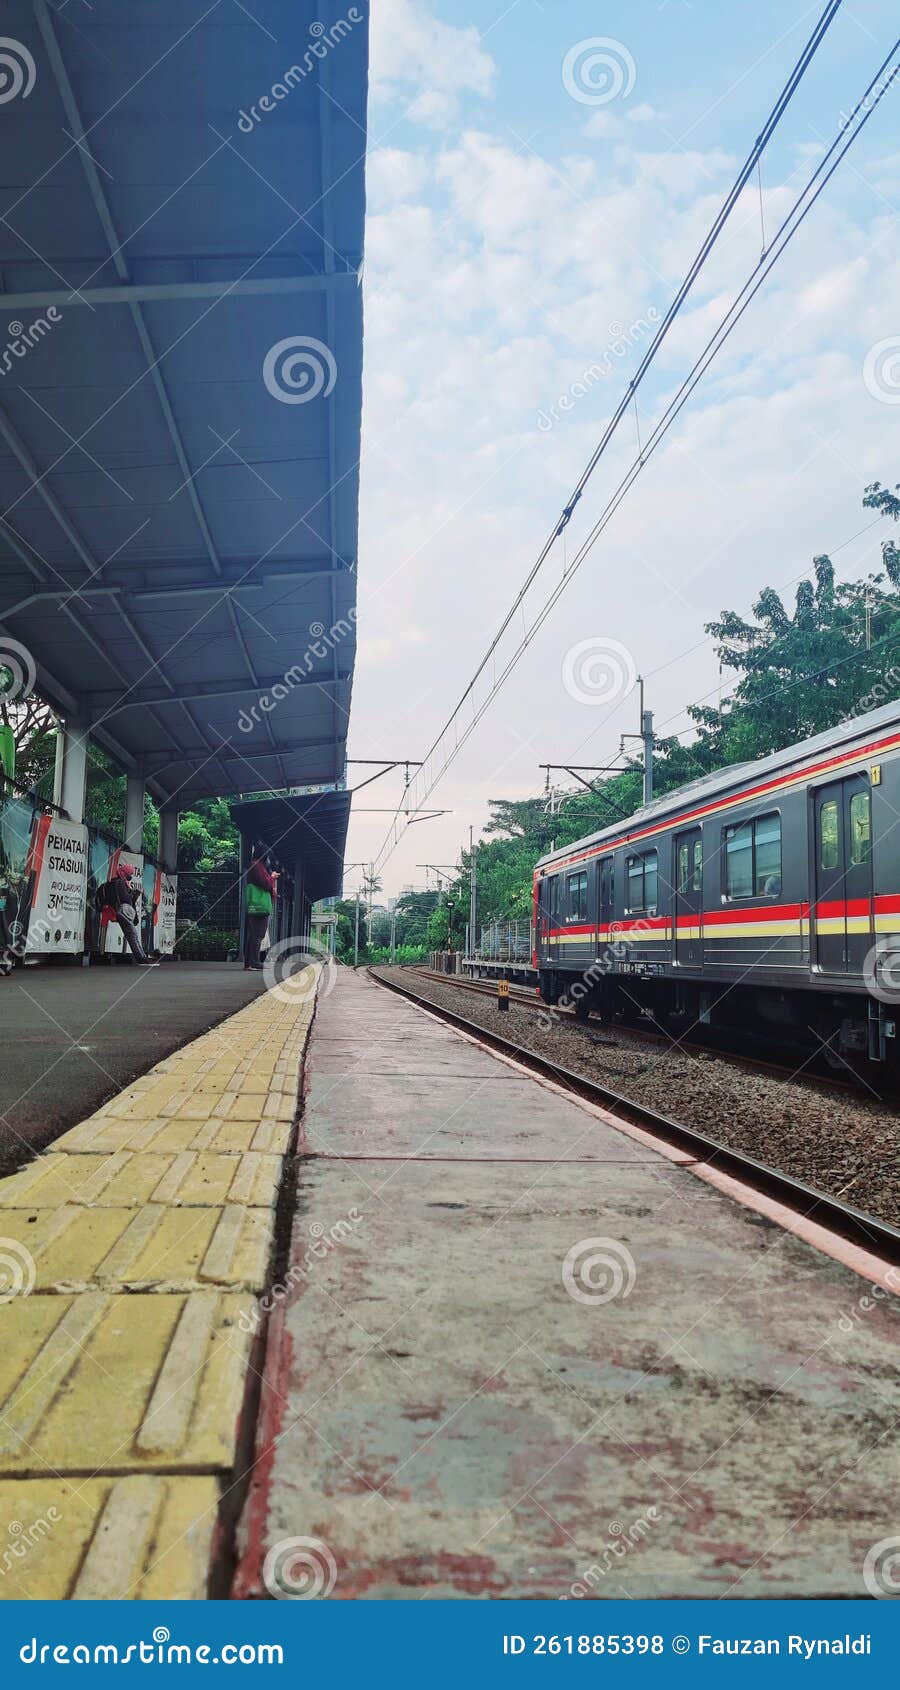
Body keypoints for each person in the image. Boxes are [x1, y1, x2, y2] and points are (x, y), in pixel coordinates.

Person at [98, 863, 156, 964]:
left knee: (131, 934)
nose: (130, 876)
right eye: (129, 874)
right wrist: (134, 893)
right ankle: (141, 957)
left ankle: (141, 956)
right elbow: (126, 899)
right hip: (122, 912)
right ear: (125, 873)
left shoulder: (117, 882)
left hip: (114, 911)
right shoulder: (121, 883)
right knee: (132, 935)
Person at [244, 847, 275, 971]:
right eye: (268, 857)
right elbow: (266, 883)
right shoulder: (257, 866)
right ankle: (254, 962)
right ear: (264, 856)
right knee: (258, 934)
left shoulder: (254, 865)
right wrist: (272, 876)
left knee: (253, 934)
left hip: (255, 904)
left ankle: (249, 962)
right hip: (260, 905)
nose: (268, 860)